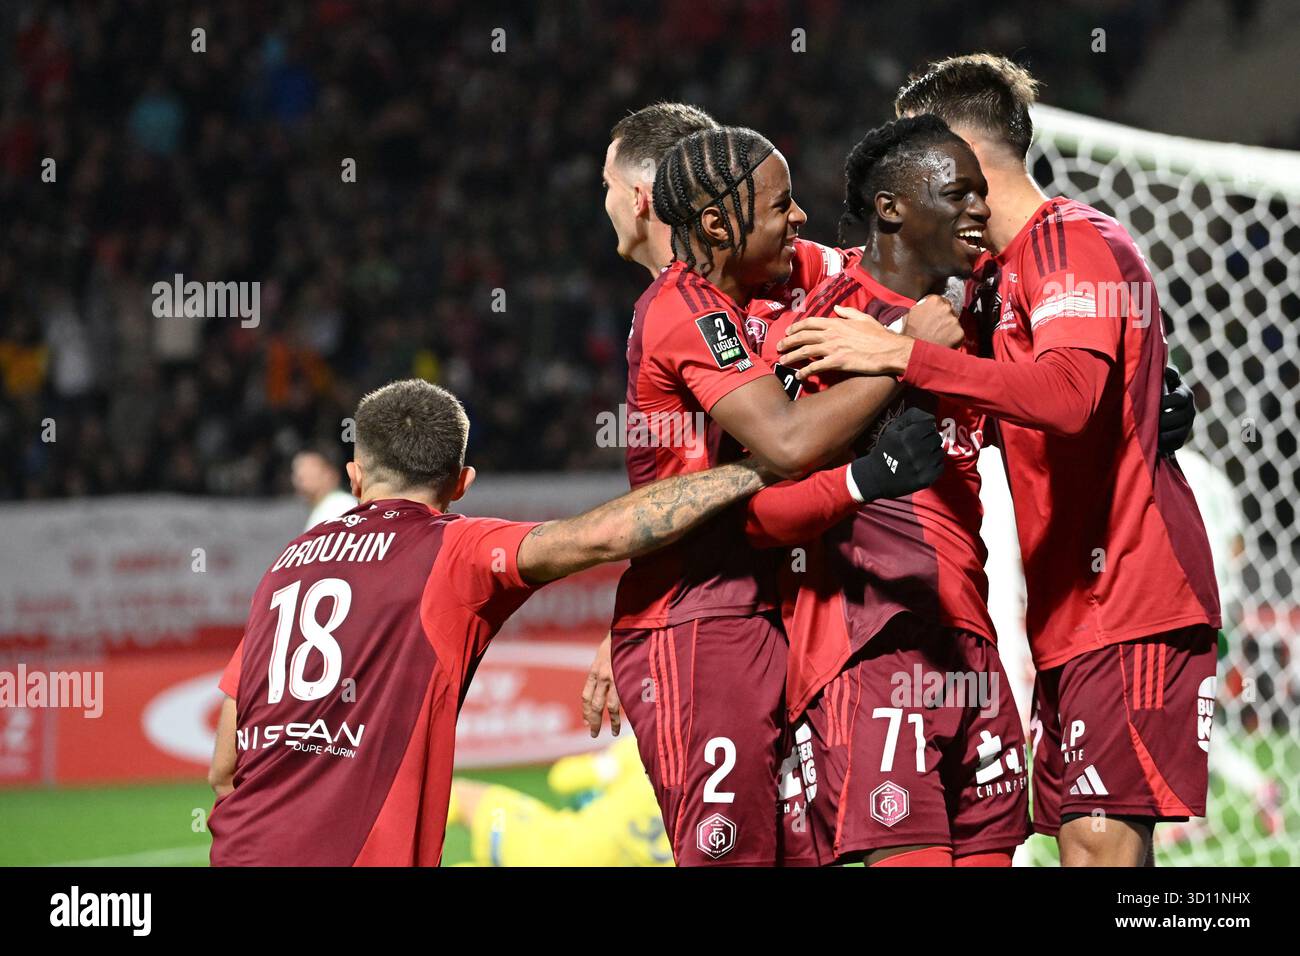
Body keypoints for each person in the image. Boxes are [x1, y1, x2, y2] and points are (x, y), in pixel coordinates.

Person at [777, 54, 1220, 867]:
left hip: (1131, 591)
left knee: (1099, 847)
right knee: (1089, 847)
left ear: (959, 153)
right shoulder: (987, 283)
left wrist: (898, 355)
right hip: (1068, 609)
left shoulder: (1072, 241)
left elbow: (1068, 396)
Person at [207, 378, 943, 865]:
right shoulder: (451, 549)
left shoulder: (286, 567)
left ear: (356, 476)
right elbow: (599, 537)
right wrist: (761, 468)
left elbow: (224, 763)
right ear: (462, 483)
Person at [606, 120, 962, 865]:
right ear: (716, 223)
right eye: (781, 207)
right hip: (694, 623)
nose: (798, 218)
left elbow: (891, 260)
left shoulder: (755, 287)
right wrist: (910, 357)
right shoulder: (685, 308)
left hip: (763, 615)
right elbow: (791, 443)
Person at [751, 116, 1031, 866]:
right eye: (957, 191)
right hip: (871, 645)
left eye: (983, 192)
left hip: (970, 644)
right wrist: (904, 360)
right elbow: (762, 509)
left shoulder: (974, 321)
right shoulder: (824, 324)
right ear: (892, 207)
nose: (979, 208)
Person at [292, 446, 356, 530]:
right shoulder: (321, 509)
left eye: (310, 468)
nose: (300, 474)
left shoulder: (342, 504)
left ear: (331, 474)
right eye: (296, 469)